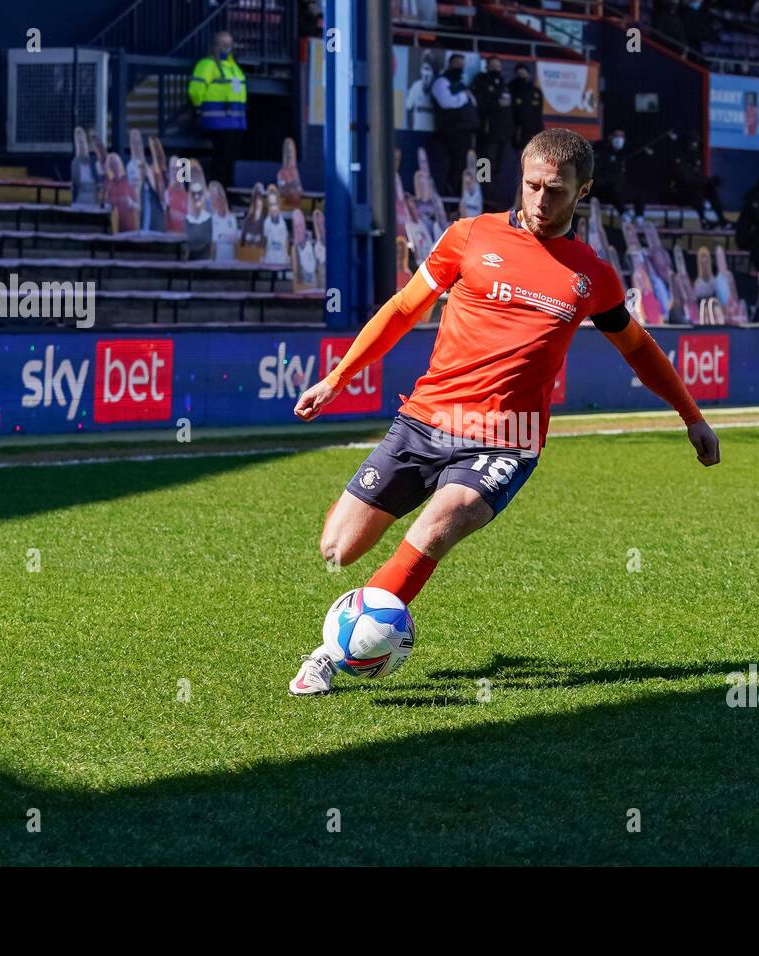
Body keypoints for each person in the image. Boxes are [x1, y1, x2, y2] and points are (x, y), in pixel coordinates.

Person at [287, 128, 720, 695]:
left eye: (557, 191)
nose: (541, 200)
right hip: (424, 420)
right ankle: (367, 618)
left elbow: (638, 348)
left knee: (439, 524)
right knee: (337, 549)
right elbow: (401, 310)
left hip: (506, 439)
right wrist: (338, 376)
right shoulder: (469, 236)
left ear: (583, 191)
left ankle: (337, 653)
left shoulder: (591, 275)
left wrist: (692, 415)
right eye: (533, 186)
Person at [188, 32, 247, 189]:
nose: (227, 47)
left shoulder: (233, 66)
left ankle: (228, 191)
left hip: (236, 122)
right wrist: (198, 109)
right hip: (218, 121)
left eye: (229, 44)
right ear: (215, 45)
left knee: (230, 160)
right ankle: (218, 191)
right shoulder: (207, 64)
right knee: (221, 159)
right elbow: (195, 90)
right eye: (223, 43)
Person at [431, 54, 480, 195]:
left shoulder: (463, 85)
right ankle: (450, 201)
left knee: (474, 166)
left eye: (462, 65)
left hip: (469, 132)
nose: (460, 68)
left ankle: (469, 198)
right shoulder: (442, 82)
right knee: (454, 166)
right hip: (451, 131)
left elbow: (474, 104)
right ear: (450, 64)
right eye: (457, 64)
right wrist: (463, 96)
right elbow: (447, 102)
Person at [471, 57, 512, 208]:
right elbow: (479, 103)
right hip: (486, 132)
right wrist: (496, 103)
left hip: (502, 133)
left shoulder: (502, 82)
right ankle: (484, 194)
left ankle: (493, 196)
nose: (496, 68)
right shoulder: (481, 80)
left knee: (497, 166)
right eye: (493, 65)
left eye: (498, 66)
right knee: (484, 162)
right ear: (487, 66)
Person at [592, 129, 644, 223]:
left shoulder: (622, 155)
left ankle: (639, 218)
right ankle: (623, 214)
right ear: (610, 137)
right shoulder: (602, 152)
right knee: (613, 190)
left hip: (619, 189)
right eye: (617, 136)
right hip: (603, 190)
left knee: (638, 192)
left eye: (622, 136)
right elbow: (596, 174)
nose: (619, 139)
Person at [509, 64, 545, 152]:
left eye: (524, 73)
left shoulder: (535, 90)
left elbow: (539, 111)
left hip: (533, 128)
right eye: (520, 73)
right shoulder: (511, 88)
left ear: (529, 74)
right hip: (518, 128)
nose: (522, 75)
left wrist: (539, 128)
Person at [208, 182, 239, 261]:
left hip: (231, 262)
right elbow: (213, 239)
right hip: (216, 262)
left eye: (219, 196)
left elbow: (235, 239)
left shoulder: (232, 218)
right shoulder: (210, 219)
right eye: (214, 196)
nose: (218, 199)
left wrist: (221, 236)